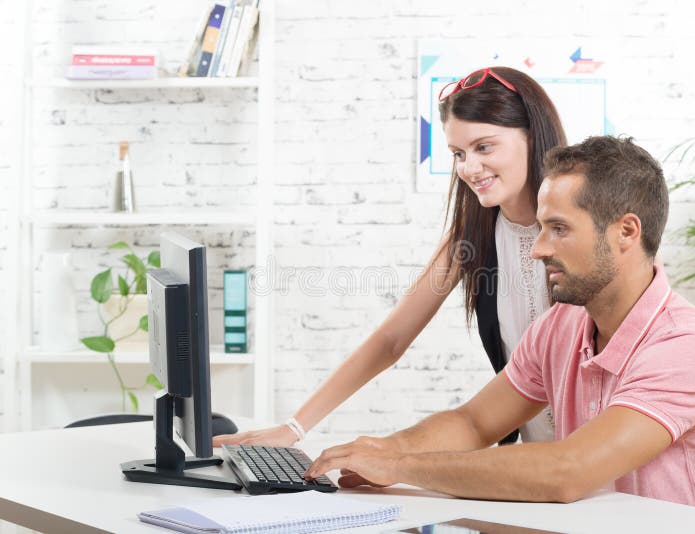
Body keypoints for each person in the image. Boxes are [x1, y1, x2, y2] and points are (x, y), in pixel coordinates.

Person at [305, 136, 695, 517]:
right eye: (541, 227)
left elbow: (568, 471)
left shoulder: (688, 348)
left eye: (558, 228)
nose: (537, 249)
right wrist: (381, 451)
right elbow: (475, 422)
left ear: (626, 232)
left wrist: (402, 464)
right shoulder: (561, 326)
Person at [214, 67, 567, 448]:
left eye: (484, 147)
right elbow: (391, 339)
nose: (468, 167)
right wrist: (295, 428)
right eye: (458, 153)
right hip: (535, 459)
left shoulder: (584, 227)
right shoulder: (473, 234)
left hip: (602, 463)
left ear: (531, 135)